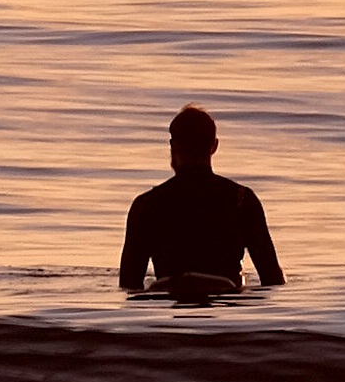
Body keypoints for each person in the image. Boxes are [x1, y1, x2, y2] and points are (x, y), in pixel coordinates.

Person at [118, 105, 284, 296]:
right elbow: (271, 278)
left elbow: (129, 283)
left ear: (173, 146)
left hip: (166, 302)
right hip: (225, 302)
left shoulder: (146, 204)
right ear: (214, 146)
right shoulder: (242, 199)